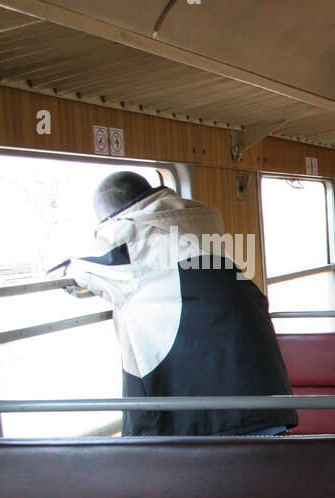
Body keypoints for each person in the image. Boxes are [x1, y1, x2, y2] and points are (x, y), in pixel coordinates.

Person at [51, 171, 297, 436]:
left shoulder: (131, 240)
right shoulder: (194, 223)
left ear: (109, 218)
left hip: (220, 410)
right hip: (261, 387)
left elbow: (74, 269)